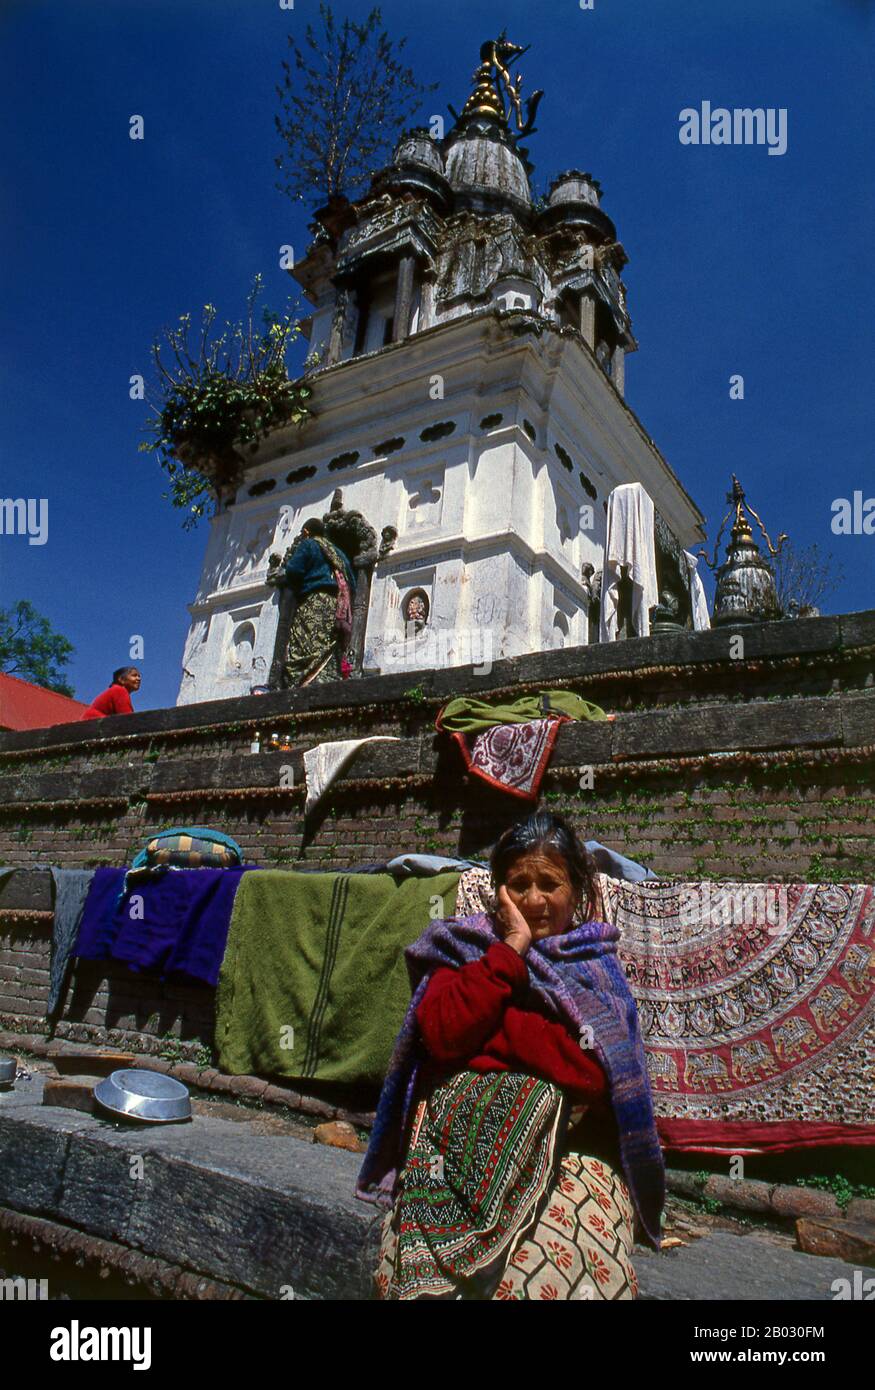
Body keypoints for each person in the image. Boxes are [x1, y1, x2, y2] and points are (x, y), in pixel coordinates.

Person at [357, 810, 665, 1300]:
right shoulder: (463, 946)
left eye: (550, 884)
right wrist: (511, 952)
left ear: (577, 891)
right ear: (498, 892)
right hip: (451, 1152)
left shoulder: (594, 964)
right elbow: (442, 1032)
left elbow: (586, 1069)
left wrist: (484, 1030)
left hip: (571, 1158)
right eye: (519, 884)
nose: (534, 900)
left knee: (554, 1273)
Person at [281, 518, 356, 686]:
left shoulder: (309, 544)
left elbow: (293, 570)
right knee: (327, 644)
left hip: (313, 602)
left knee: (305, 645)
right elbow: (351, 580)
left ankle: (302, 682)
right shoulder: (337, 554)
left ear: (306, 532)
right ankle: (326, 680)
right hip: (334, 605)